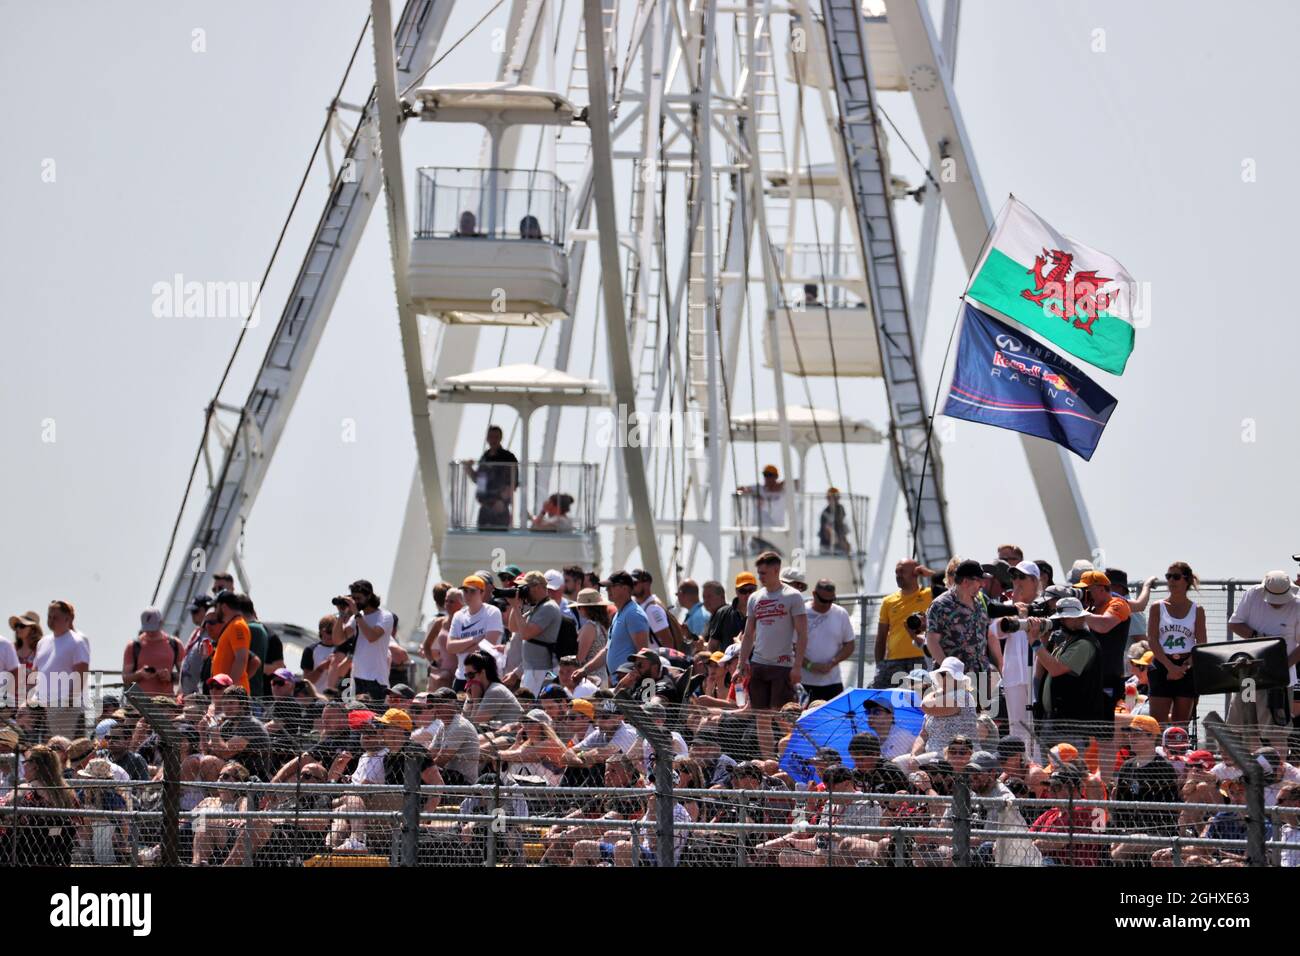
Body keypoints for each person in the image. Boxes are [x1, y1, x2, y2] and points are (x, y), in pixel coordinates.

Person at [1227, 569, 1300, 736]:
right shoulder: (1252, 595)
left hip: (1278, 682)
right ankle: (1237, 762)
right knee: (1239, 726)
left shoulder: (1298, 606)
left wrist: (1281, 667)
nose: (1277, 603)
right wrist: (1258, 637)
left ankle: (1276, 763)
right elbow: (1234, 623)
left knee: (1276, 731)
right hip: (1248, 677)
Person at [1035, 597, 1108, 753]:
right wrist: (1042, 639)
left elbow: (1056, 669)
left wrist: (1034, 642)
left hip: (1073, 725)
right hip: (1055, 720)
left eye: (1067, 618)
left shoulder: (1084, 644)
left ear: (1080, 618)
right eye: (1061, 618)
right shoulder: (1066, 644)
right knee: (1050, 770)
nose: (1062, 622)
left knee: (1070, 770)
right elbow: (1041, 671)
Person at [736, 551, 808, 710]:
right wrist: (741, 664)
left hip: (782, 666)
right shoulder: (754, 598)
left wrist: (797, 666)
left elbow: (803, 634)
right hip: (759, 664)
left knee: (781, 715)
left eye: (763, 573)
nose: (760, 577)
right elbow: (748, 634)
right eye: (759, 573)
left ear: (776, 570)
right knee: (761, 718)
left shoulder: (793, 596)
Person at [1145, 561, 1206, 728]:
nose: (1171, 581)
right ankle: (1158, 754)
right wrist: (1170, 666)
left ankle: (1178, 754)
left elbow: (1201, 644)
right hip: (1161, 665)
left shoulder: (1197, 610)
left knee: (1180, 725)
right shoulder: (1158, 607)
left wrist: (1184, 667)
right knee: (1157, 724)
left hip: (1186, 669)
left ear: (1186, 580)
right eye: (1168, 576)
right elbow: (1152, 639)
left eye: (1176, 577)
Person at [0, 744, 80, 865]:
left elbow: (6, 815)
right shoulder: (68, 792)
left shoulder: (24, 791)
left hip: (23, 852)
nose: (23, 765)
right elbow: (75, 823)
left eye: (25, 762)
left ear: (35, 766)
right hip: (55, 852)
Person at [925, 560, 1003, 684]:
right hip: (955, 680)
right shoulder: (940, 605)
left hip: (984, 677)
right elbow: (932, 641)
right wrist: (949, 672)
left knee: (988, 704)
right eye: (979, 580)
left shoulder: (981, 602)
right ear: (966, 582)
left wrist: (1000, 667)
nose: (982, 584)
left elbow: (991, 635)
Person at [576, 571, 649, 687]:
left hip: (629, 685)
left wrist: (629, 681)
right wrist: (584, 670)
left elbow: (644, 655)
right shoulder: (619, 614)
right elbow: (607, 650)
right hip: (618, 683)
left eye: (612, 586)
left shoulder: (634, 614)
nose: (607, 590)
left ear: (625, 589)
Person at [34, 600, 92, 738]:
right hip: (44, 708)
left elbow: (81, 674)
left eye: (56, 617)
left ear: (67, 618)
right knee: (48, 753)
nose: (51, 620)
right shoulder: (42, 642)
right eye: (49, 616)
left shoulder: (77, 642)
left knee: (67, 751)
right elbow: (36, 673)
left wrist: (69, 703)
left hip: (66, 710)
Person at [874, 559, 936, 688]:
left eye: (902, 571)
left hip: (922, 658)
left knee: (921, 700)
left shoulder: (930, 594)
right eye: (896, 572)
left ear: (915, 573)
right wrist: (879, 665)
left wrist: (929, 574)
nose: (898, 575)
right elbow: (881, 638)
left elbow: (951, 588)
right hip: (893, 661)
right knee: (880, 695)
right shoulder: (888, 601)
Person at [1079, 570, 1131, 713]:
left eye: (1087, 590)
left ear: (1101, 589)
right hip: (1090, 675)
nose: (1084, 594)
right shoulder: (1090, 608)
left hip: (1110, 677)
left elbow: (1103, 625)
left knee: (1106, 724)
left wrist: (1078, 612)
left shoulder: (1118, 604)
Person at [336, 579, 395, 701]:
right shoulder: (357, 617)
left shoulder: (385, 616)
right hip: (356, 678)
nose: (355, 602)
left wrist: (356, 613)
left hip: (376, 679)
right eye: (353, 598)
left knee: (374, 717)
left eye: (358, 598)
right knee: (355, 717)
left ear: (369, 596)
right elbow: (338, 639)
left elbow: (372, 637)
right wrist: (341, 614)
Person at [506, 571, 562, 695]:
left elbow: (526, 634)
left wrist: (515, 607)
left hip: (541, 669)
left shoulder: (548, 607)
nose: (524, 591)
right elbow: (513, 627)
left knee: (533, 707)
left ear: (536, 587)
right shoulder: (537, 607)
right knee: (528, 707)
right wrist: (518, 604)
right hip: (532, 669)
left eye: (526, 588)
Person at [446, 576, 504, 692]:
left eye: (472, 591)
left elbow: (488, 646)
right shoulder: (459, 616)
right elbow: (450, 647)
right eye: (465, 591)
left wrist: (461, 648)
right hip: (462, 676)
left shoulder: (492, 612)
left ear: (482, 593)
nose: (467, 595)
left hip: (486, 677)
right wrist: (475, 639)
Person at [912, 658, 978, 757]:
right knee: (898, 764)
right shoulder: (937, 697)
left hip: (956, 755)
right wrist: (914, 754)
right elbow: (923, 734)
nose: (945, 678)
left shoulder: (962, 695)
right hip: (931, 756)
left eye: (949, 675)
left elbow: (925, 706)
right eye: (942, 674)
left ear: (959, 679)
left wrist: (934, 692)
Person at [802, 579, 855, 702]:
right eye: (824, 600)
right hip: (804, 681)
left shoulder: (840, 613)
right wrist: (810, 666)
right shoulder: (802, 613)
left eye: (831, 600)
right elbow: (792, 646)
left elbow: (850, 644)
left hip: (833, 682)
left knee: (836, 719)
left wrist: (832, 663)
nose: (827, 604)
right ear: (814, 594)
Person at [423, 688, 481, 785]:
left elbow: (441, 760)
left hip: (464, 782)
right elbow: (430, 754)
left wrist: (418, 770)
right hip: (450, 776)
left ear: (453, 704)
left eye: (441, 702)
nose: (436, 706)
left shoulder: (459, 726)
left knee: (422, 774)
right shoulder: (443, 724)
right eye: (435, 702)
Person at [465, 426, 519, 529]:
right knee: (482, 539)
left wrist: (502, 502)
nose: (493, 440)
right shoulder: (485, 457)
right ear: (487, 438)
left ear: (500, 438)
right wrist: (469, 469)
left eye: (496, 437)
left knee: (501, 540)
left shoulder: (508, 457)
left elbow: (513, 483)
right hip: (485, 506)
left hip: (500, 508)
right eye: (491, 437)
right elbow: (479, 481)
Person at [122, 606, 182, 697]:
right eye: (147, 629)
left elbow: (185, 676)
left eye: (153, 629)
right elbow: (125, 678)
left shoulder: (175, 644)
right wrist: (140, 674)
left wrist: (170, 676)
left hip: (166, 704)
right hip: (139, 705)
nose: (150, 632)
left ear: (161, 623)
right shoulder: (133, 646)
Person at [461, 650, 523, 725]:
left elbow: (475, 724)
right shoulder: (475, 691)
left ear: (483, 673)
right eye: (466, 676)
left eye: (470, 675)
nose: (468, 680)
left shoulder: (495, 690)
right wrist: (470, 700)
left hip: (512, 734)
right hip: (496, 733)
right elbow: (463, 722)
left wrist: (476, 700)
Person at [736, 465, 788, 552]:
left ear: (776, 477)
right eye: (765, 475)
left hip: (777, 533)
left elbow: (799, 483)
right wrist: (750, 493)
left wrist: (783, 483)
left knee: (775, 560)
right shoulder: (758, 489)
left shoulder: (783, 491)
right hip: (759, 534)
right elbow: (739, 491)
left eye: (770, 475)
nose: (767, 478)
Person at [210, 591, 252, 693]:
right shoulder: (232, 625)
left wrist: (229, 689)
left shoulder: (238, 625)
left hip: (234, 698)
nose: (215, 611)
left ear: (223, 607)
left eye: (216, 607)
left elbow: (241, 659)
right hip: (228, 697)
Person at [571, 589, 610, 686]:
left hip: (590, 680)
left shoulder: (590, 627)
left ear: (585, 608)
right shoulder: (603, 626)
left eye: (579, 606)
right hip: (602, 677)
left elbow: (579, 659)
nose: (577, 609)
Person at [704, 575, 752, 652]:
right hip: (726, 662)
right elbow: (712, 645)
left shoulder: (762, 613)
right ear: (736, 591)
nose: (747, 594)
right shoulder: (723, 613)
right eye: (743, 591)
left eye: (751, 590)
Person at [631, 568, 675, 649]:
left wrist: (661, 661)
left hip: (657, 660)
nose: (631, 586)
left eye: (635, 583)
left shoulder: (652, 610)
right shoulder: (643, 607)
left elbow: (668, 642)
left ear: (646, 584)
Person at [818, 487, 851, 554]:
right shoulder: (825, 513)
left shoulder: (840, 509)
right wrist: (836, 538)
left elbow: (842, 528)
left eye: (836, 498)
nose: (835, 500)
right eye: (832, 498)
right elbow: (827, 531)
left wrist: (845, 542)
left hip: (839, 547)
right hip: (826, 547)